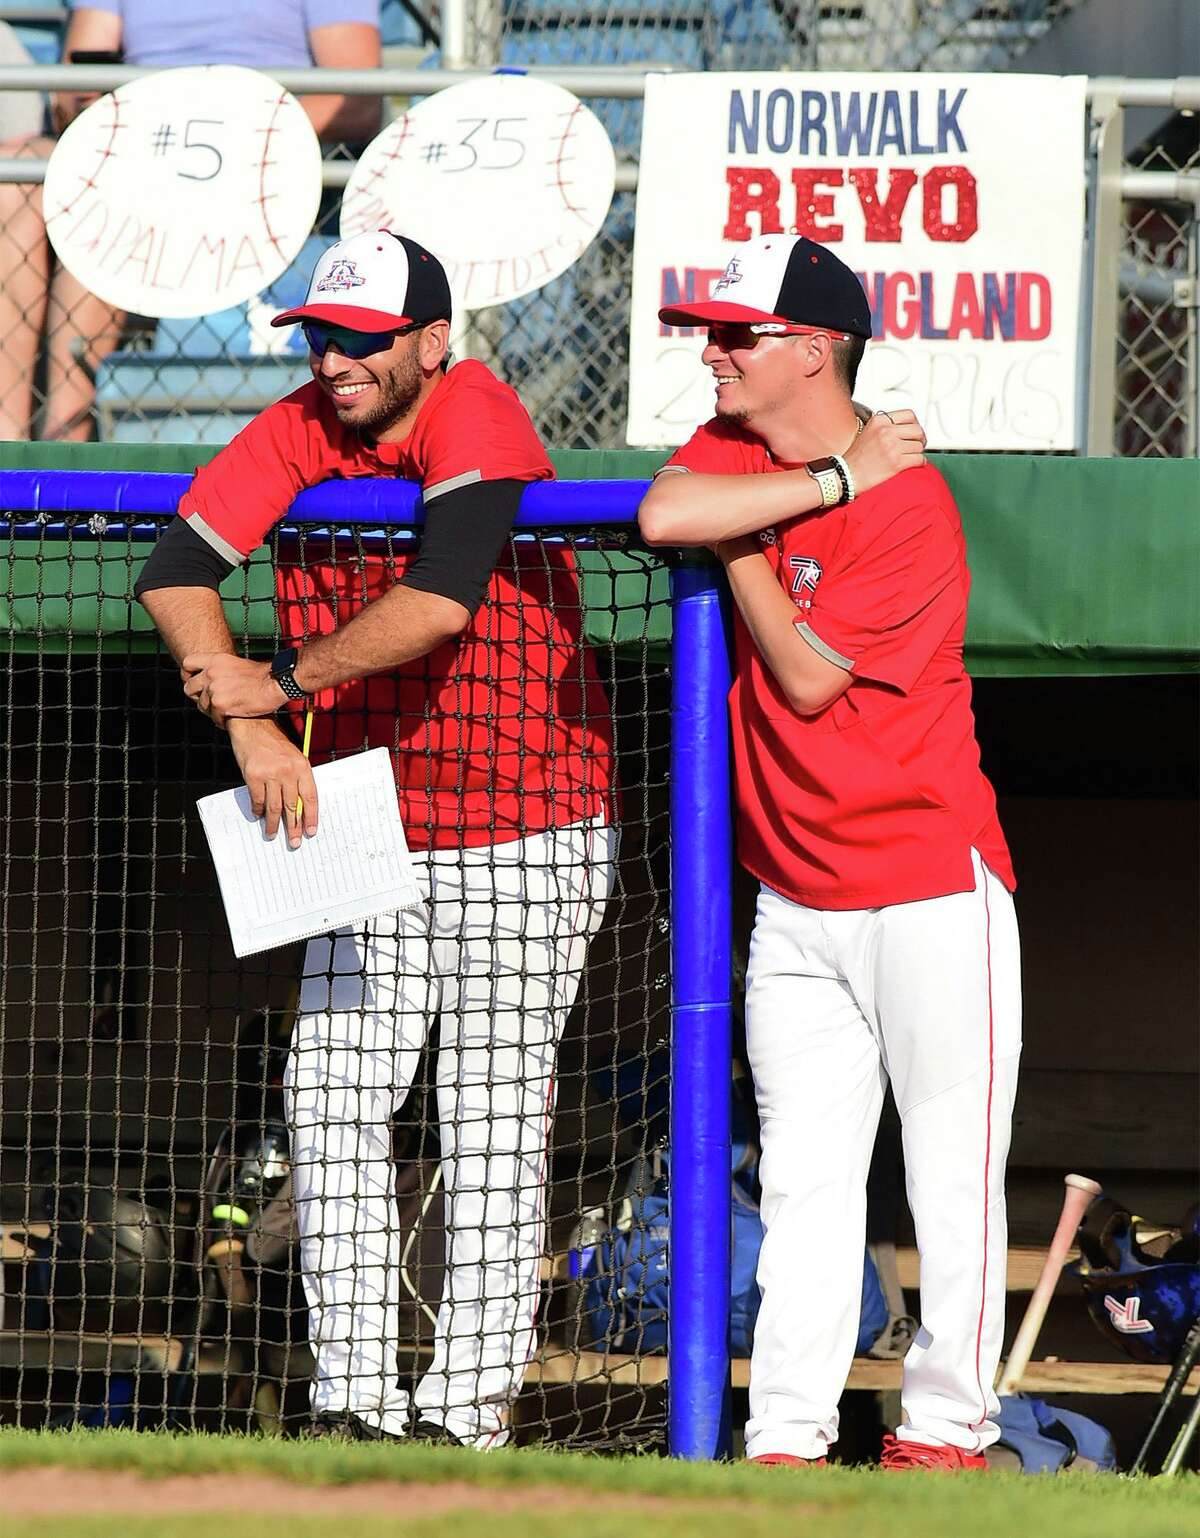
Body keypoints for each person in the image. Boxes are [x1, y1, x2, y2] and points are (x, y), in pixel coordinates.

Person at [135, 229, 617, 1446]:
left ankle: (465, 1409)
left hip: (525, 823)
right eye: (321, 336)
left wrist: (275, 679)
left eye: (362, 339)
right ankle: (353, 1394)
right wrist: (253, 726)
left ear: (432, 341)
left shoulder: (476, 412)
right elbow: (176, 567)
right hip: (366, 819)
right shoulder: (305, 419)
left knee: (489, 1114)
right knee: (330, 1093)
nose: (335, 359)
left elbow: (439, 599)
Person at [638, 233, 1020, 1471]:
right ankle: (787, 1440)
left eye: (737, 334)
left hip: (928, 885)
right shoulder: (743, 448)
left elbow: (804, 677)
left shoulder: (912, 501)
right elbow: (664, 511)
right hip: (797, 895)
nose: (713, 352)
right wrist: (829, 480)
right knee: (804, 1180)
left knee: (951, 1178)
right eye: (711, 332)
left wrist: (746, 544)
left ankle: (948, 1430)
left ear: (813, 348)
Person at [0, 0, 382, 442]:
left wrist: (227, 130)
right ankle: (9, 446)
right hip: (139, 151)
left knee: (112, 208)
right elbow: (74, 86)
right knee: (15, 175)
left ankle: (66, 442)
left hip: (256, 161)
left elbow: (355, 101)